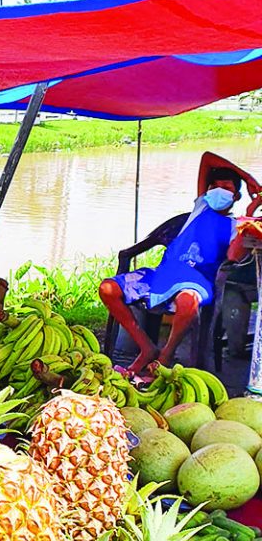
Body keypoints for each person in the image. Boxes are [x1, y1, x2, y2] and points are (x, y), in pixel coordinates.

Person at [100, 154, 259, 377]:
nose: (217, 191)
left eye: (225, 187)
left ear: (236, 196)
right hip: (163, 274)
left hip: (198, 280)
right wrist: (247, 176)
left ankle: (165, 355)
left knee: (187, 301)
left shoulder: (236, 226)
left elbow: (233, 255)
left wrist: (250, 214)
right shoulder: (201, 206)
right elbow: (207, 159)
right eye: (214, 186)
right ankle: (146, 347)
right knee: (108, 289)